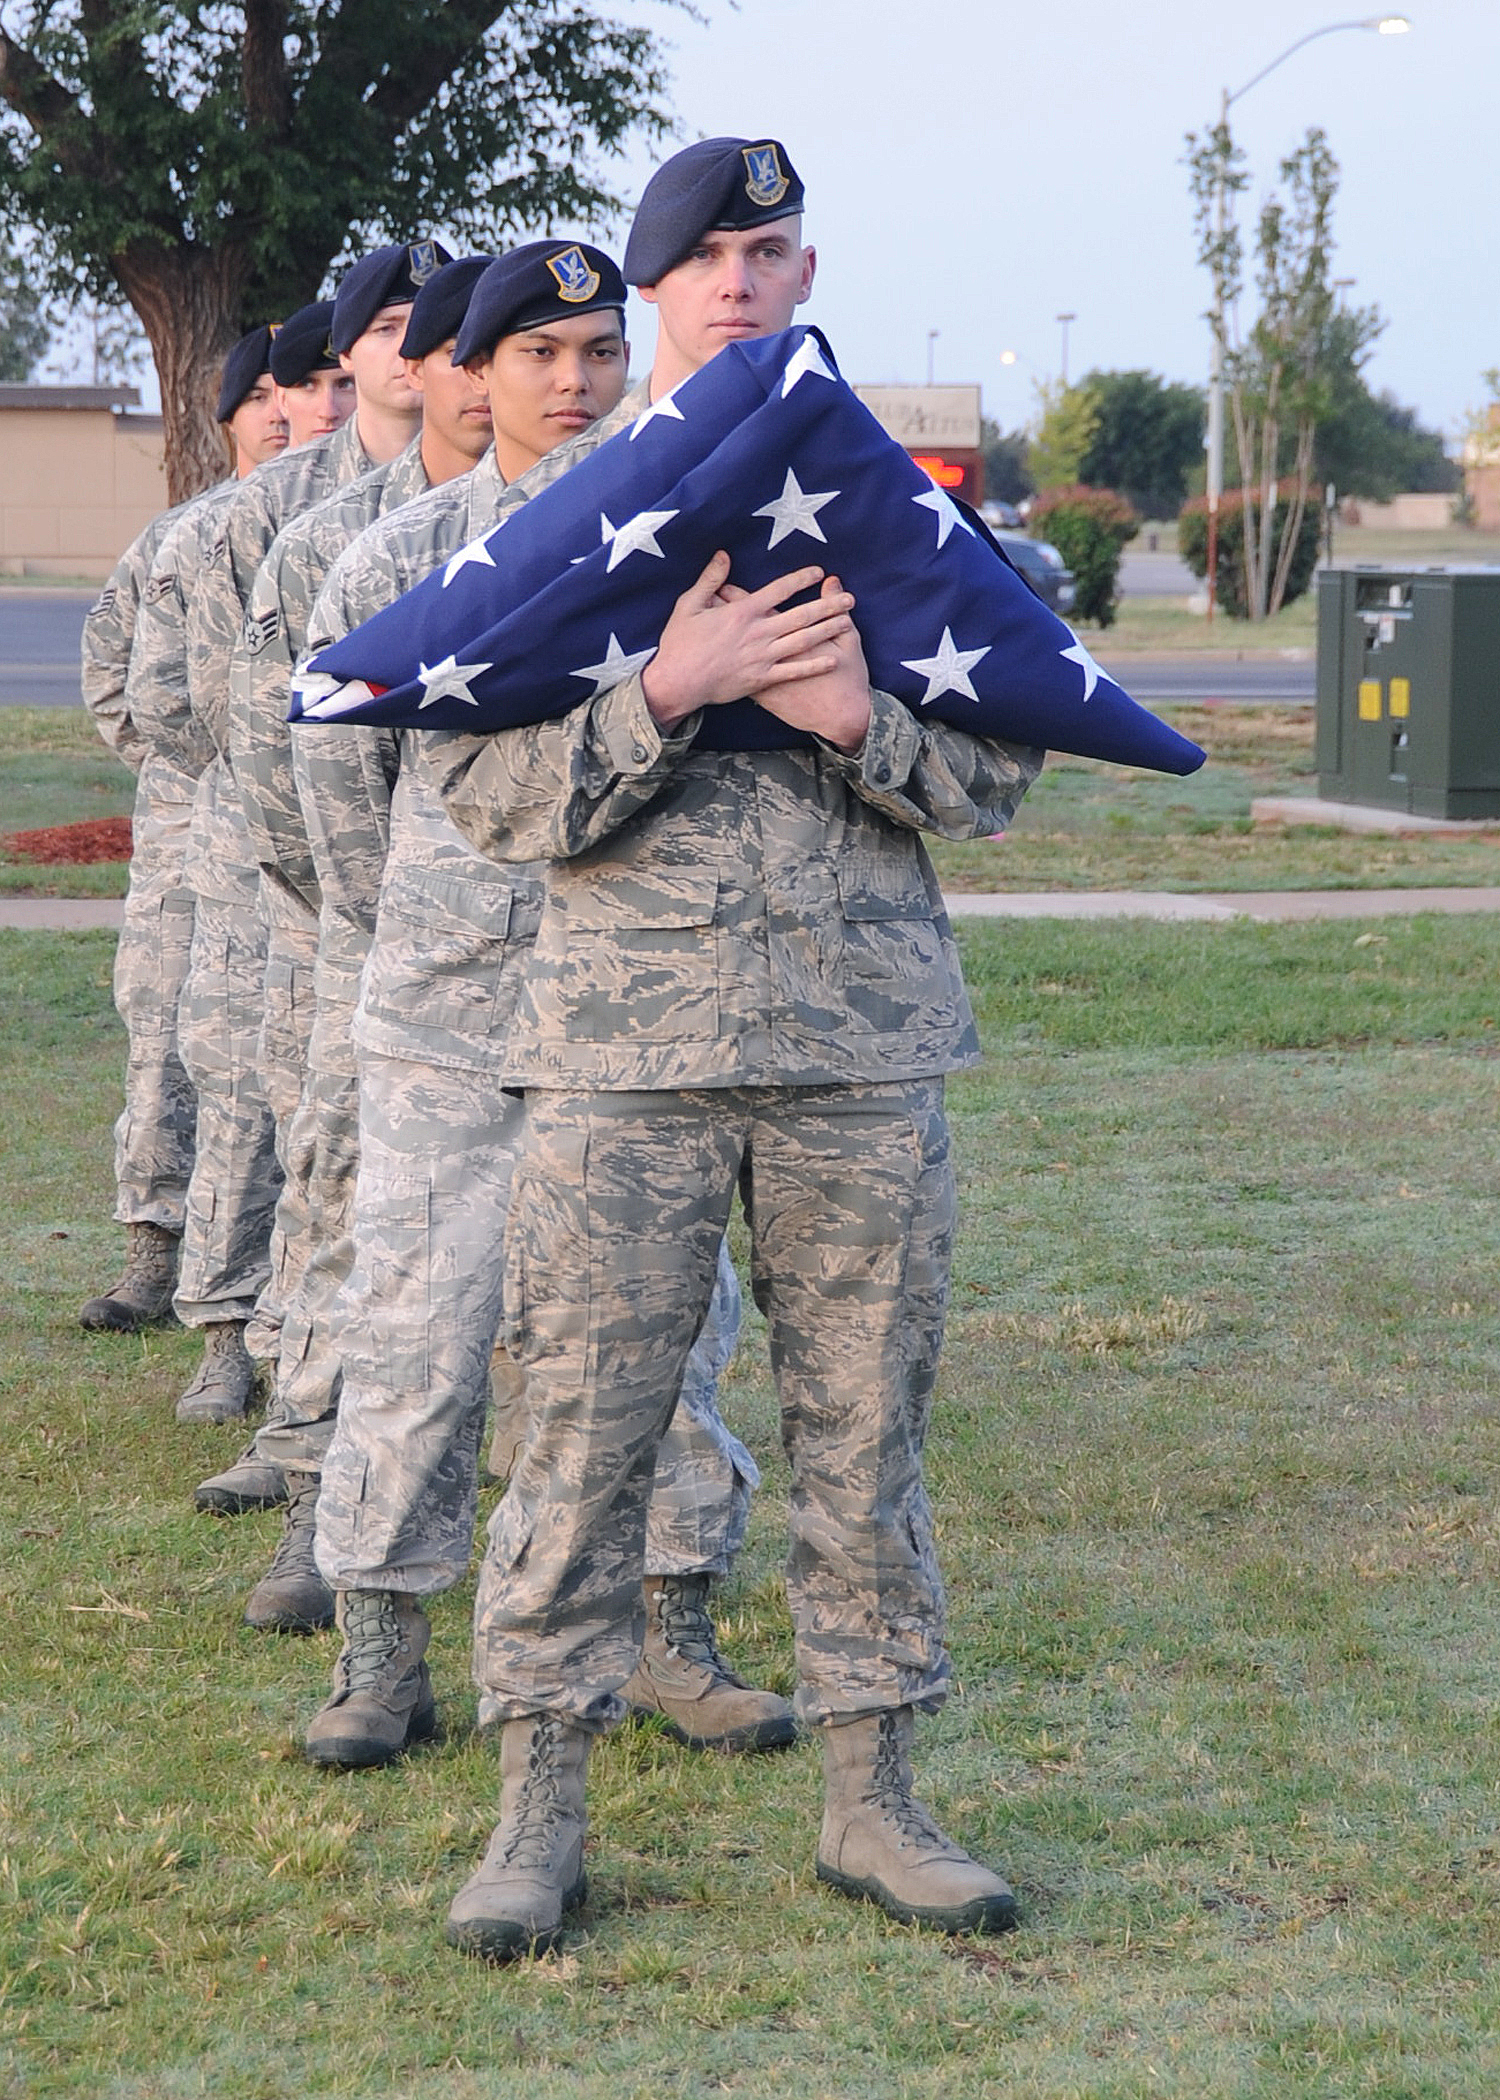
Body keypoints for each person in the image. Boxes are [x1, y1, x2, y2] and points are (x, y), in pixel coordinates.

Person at [431, 138, 1042, 1959]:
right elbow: (481, 789)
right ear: (651, 292)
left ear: (802, 270)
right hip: (626, 1052)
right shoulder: (546, 521)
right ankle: (538, 1806)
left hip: (859, 1046)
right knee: (582, 1431)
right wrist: (664, 694)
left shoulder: (891, 508)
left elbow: (1000, 767)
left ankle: (875, 1796)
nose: (741, 283)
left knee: (868, 1434)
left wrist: (864, 724)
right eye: (706, 259)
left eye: (770, 251)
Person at [292, 243, 791, 1767]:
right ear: (469, 373)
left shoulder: (695, 546)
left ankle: (672, 1630)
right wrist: (429, 945)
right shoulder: (401, 564)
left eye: (591, 352)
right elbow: (320, 803)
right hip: (452, 1019)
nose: (570, 384)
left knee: (665, 1344)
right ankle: (382, 1652)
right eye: (534, 356)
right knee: (419, 1338)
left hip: (643, 1030)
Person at [202, 254, 495, 1625]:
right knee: (347, 1204)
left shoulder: (607, 516)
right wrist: (385, 919)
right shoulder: (336, 541)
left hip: (568, 959)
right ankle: (319, 1481)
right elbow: (282, 762)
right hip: (363, 938)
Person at [161, 244, 445, 1430]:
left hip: (446, 900)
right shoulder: (270, 513)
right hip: (289, 877)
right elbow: (222, 707)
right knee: (276, 1116)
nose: (394, 356)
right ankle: (244, 1348)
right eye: (376, 333)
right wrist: (322, 870)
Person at [79, 329, 287, 1333]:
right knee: (163, 1037)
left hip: (287, 840)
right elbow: (114, 676)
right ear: (234, 414)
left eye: (315, 387)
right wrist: (184, 781)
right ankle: (150, 1252)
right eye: (269, 396)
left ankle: (266, 1278)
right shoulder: (184, 535)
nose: (292, 411)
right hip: (187, 833)